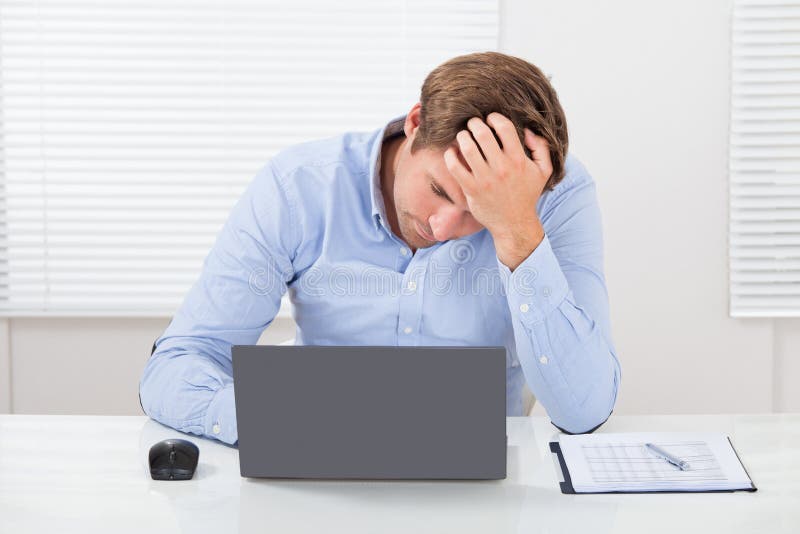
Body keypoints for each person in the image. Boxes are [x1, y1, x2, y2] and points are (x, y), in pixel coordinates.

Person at [139, 52, 621, 445]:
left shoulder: (554, 197)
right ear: (415, 123)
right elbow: (179, 363)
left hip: (481, 484)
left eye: (479, 210)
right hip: (313, 463)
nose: (444, 227)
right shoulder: (298, 187)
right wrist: (276, 420)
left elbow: (585, 410)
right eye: (438, 190)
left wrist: (516, 228)